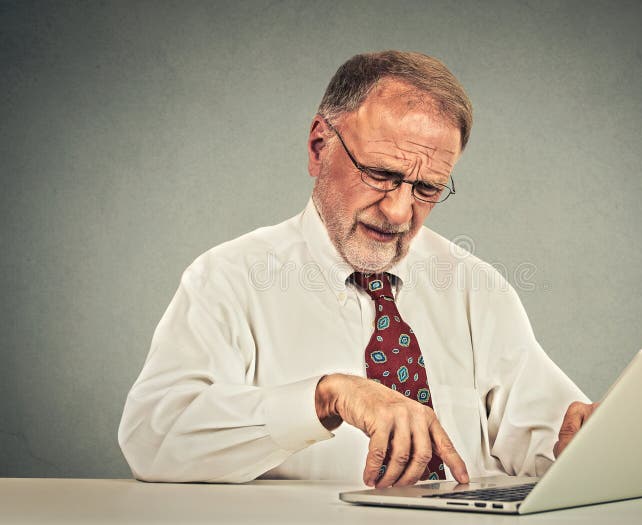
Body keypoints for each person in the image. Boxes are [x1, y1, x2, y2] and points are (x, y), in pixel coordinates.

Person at [118, 50, 596, 487]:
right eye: (382, 175)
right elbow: (153, 439)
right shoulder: (227, 278)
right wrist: (324, 398)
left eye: (427, 188)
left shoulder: (477, 288)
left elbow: (547, 438)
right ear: (319, 145)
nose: (399, 212)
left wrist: (580, 441)